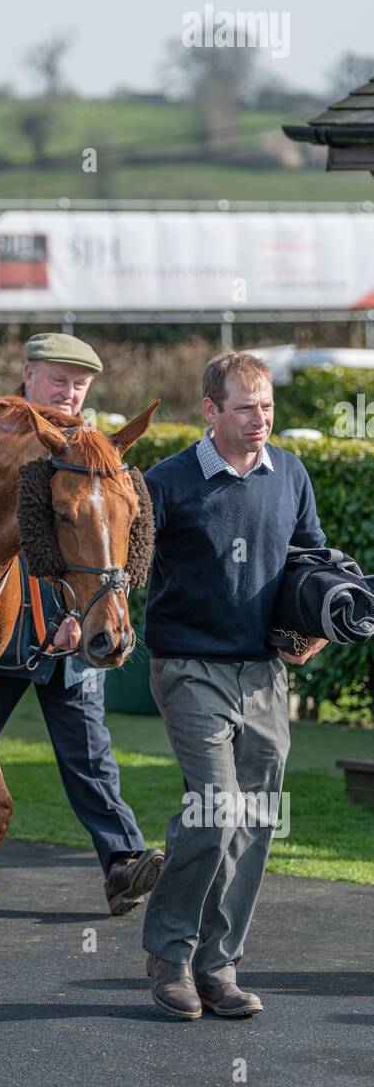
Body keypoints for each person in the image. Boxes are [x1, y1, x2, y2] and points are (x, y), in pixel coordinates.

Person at [0, 333, 164, 916]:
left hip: (73, 633)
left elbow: (103, 543)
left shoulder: (94, 452)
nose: (71, 392)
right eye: (59, 379)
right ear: (27, 376)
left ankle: (121, 862)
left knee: (90, 753)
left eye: (80, 383)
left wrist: (83, 617)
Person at [142, 351, 328, 1020]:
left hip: (264, 672)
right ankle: (168, 952)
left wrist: (317, 620)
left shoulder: (291, 475)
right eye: (246, 407)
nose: (261, 419)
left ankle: (216, 966)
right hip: (188, 665)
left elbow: (310, 557)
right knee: (215, 808)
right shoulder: (164, 483)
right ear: (211, 409)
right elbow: (118, 563)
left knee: (255, 821)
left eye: (268, 406)